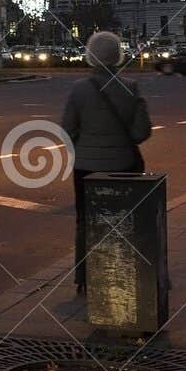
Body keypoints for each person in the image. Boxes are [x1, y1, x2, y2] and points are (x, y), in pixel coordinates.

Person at [60, 31, 152, 294]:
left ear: (89, 55)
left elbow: (66, 129)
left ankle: (84, 277)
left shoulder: (79, 89)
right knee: (123, 220)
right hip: (123, 165)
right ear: (117, 56)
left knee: (85, 221)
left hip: (86, 168)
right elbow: (141, 132)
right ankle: (120, 270)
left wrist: (84, 145)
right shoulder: (131, 88)